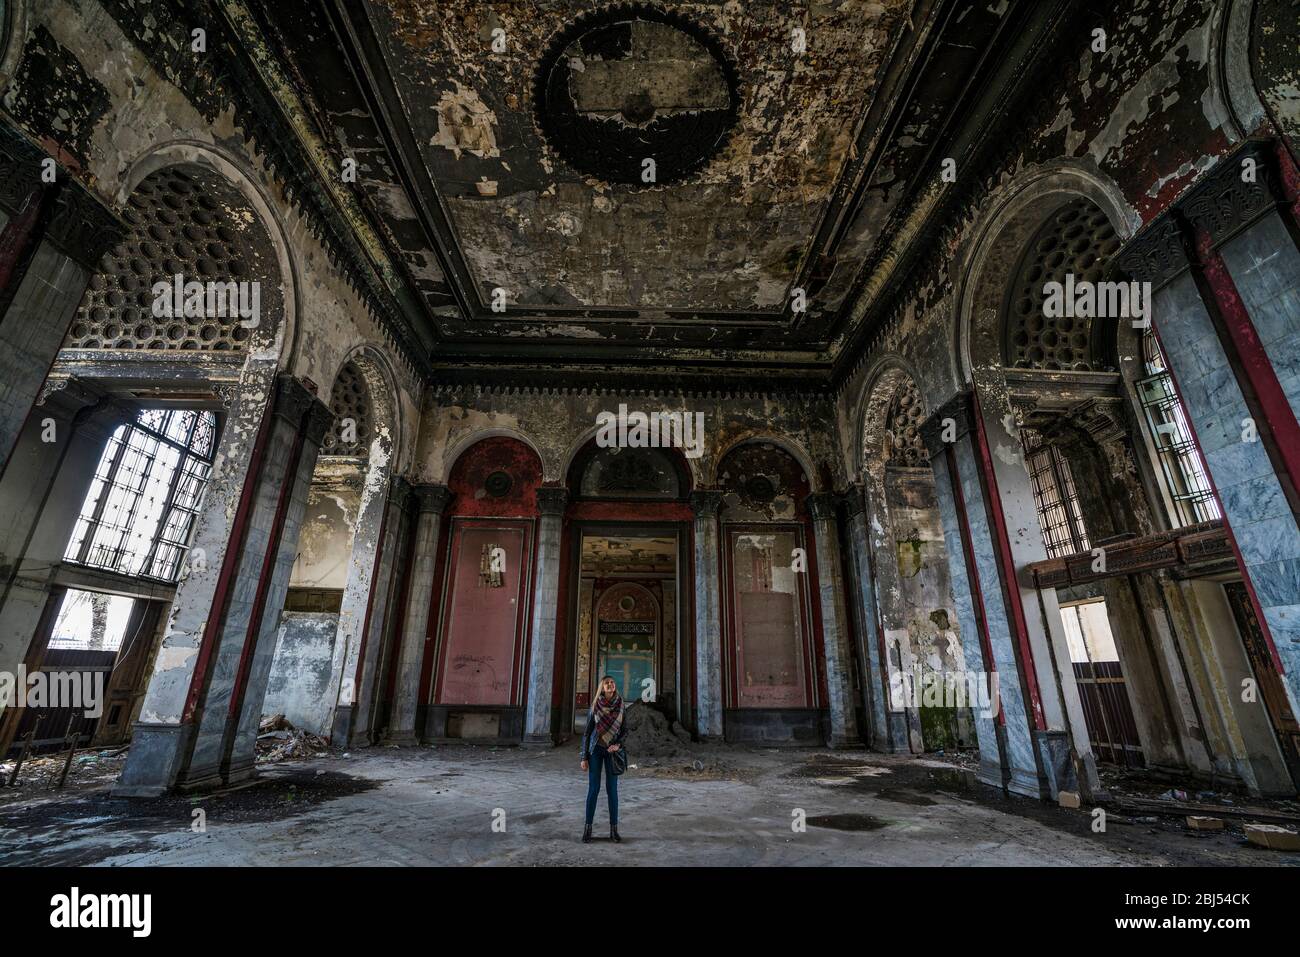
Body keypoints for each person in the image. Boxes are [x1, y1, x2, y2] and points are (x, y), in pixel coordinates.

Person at [580, 675, 627, 843]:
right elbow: (586, 733)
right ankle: (587, 829)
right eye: (606, 683)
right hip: (595, 751)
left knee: (612, 790)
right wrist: (583, 756)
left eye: (612, 682)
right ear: (602, 687)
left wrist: (618, 745)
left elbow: (625, 731)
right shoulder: (595, 706)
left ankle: (613, 830)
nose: (610, 684)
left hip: (612, 752)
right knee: (593, 789)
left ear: (615, 686)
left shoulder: (621, 706)